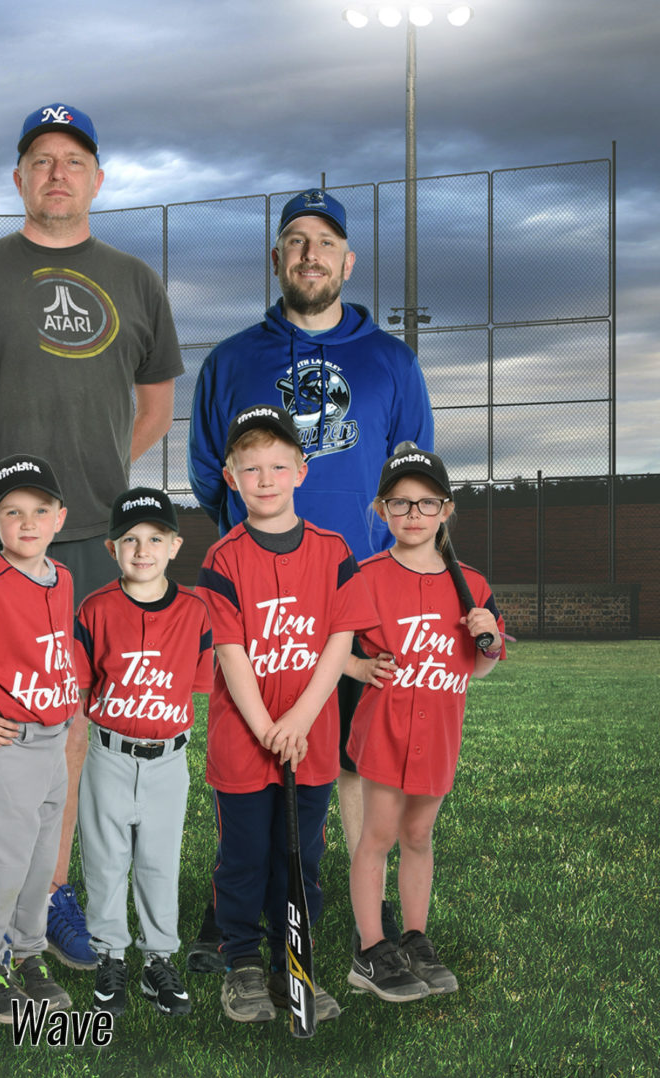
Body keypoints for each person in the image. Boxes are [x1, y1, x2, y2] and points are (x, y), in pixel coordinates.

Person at [0, 103, 184, 971]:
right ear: (18, 177)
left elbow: (156, 408)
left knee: (66, 720)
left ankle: (50, 892)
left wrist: (85, 484)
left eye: (73, 159)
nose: (56, 172)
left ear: (96, 178)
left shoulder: (135, 280)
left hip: (94, 533)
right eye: (40, 159)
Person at [186, 190, 435, 966]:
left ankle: (365, 916)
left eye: (325, 241)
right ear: (277, 259)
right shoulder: (232, 359)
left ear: (347, 260)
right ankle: (235, 909)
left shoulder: (391, 360)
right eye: (295, 240)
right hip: (262, 600)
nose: (309, 253)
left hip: (362, 590)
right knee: (251, 750)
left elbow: (409, 473)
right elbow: (207, 475)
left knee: (359, 755)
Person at [195, 406, 377, 1024]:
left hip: (312, 738)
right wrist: (267, 726)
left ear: (301, 470)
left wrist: (298, 719)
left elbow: (339, 643)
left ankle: (290, 962)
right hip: (243, 742)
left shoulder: (333, 551)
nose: (266, 479)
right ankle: (242, 963)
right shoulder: (222, 558)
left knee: (301, 855)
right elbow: (231, 652)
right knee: (243, 855)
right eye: (251, 469)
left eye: (278, 466)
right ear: (231, 476)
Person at [346, 446, 504, 1002]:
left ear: (446, 510)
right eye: (400, 503)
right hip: (386, 728)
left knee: (418, 835)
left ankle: (414, 938)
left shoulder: (473, 585)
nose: (413, 514)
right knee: (380, 835)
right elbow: (326, 645)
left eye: (426, 503)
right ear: (381, 510)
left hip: (437, 732)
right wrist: (359, 665)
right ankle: (370, 950)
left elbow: (482, 665)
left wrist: (489, 634)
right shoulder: (366, 577)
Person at [74, 488, 212, 1017]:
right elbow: (83, 688)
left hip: (168, 759)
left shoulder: (195, 612)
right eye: (129, 540)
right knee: (106, 861)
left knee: (158, 863)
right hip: (108, 753)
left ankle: (158, 961)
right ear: (113, 550)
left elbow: (199, 684)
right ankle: (111, 957)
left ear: (175, 545)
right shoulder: (96, 609)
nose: (142, 550)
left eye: (155, 538)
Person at [0, 455, 79, 1019]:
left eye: (40, 510)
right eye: (13, 512)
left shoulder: (64, 576)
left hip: (52, 743)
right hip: (4, 746)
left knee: (37, 864)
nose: (28, 522)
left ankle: (26, 955)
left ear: (59, 518)